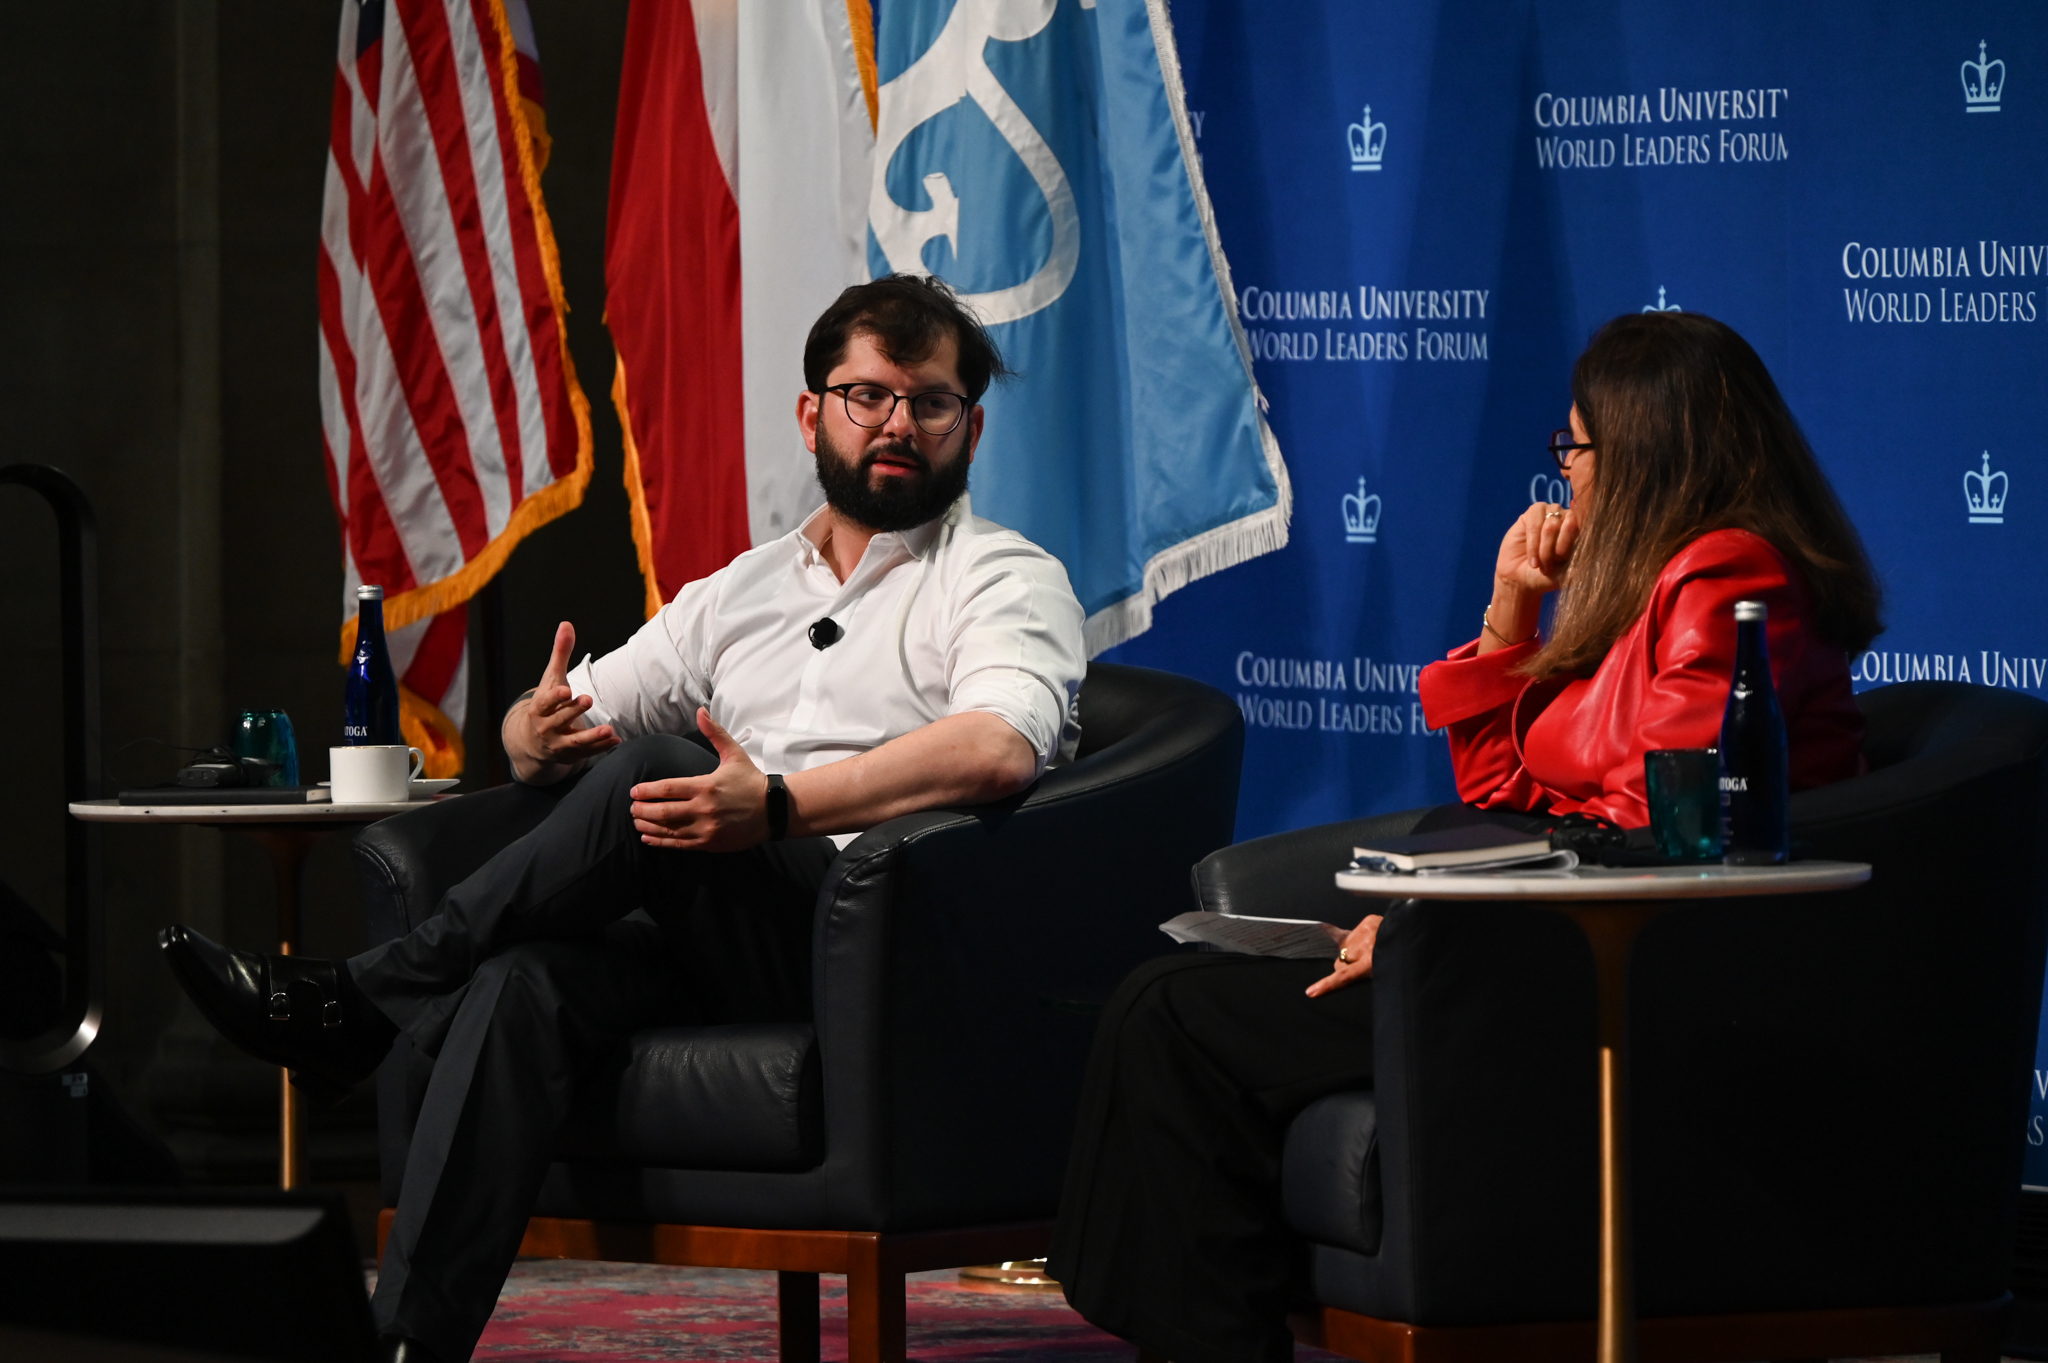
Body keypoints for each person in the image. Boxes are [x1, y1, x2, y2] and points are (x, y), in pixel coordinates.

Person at [160, 274, 1087, 1363]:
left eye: (926, 403)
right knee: (519, 985)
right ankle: (407, 1344)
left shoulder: (1001, 577)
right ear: (811, 413)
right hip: (715, 935)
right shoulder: (742, 591)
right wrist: (527, 731)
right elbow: (571, 713)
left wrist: (778, 807)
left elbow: (997, 745)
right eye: (866, 395)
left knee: (657, 766)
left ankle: (366, 999)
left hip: (876, 940)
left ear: (968, 428)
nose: (895, 425)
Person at [1047, 311, 1884, 1363]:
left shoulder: (1726, 576)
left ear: (1640, 450)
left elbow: (1668, 824)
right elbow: (1508, 788)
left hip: (1637, 974)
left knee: (1174, 1016)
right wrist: (1507, 614)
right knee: (1159, 999)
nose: (1562, 477)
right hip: (1546, 953)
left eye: (1572, 449)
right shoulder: (1645, 585)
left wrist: (1414, 933)